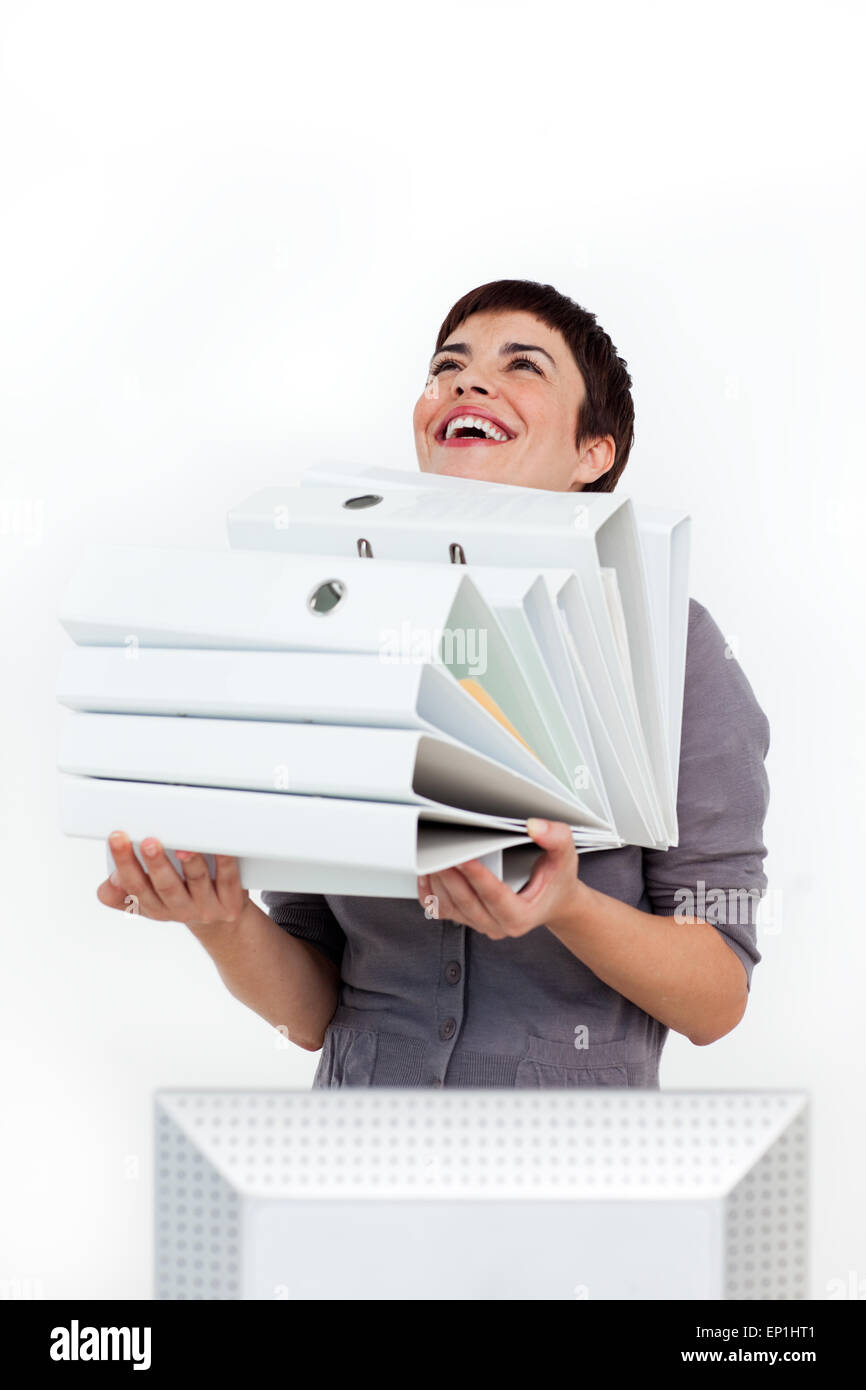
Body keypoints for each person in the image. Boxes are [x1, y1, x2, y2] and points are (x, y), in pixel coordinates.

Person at [96, 278, 770, 1088]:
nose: (467, 381)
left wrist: (567, 905)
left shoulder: (672, 646)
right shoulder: (328, 623)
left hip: (572, 1188)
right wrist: (222, 919)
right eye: (447, 367)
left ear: (594, 456)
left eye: (523, 366)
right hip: (356, 1175)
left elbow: (717, 1000)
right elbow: (312, 1013)